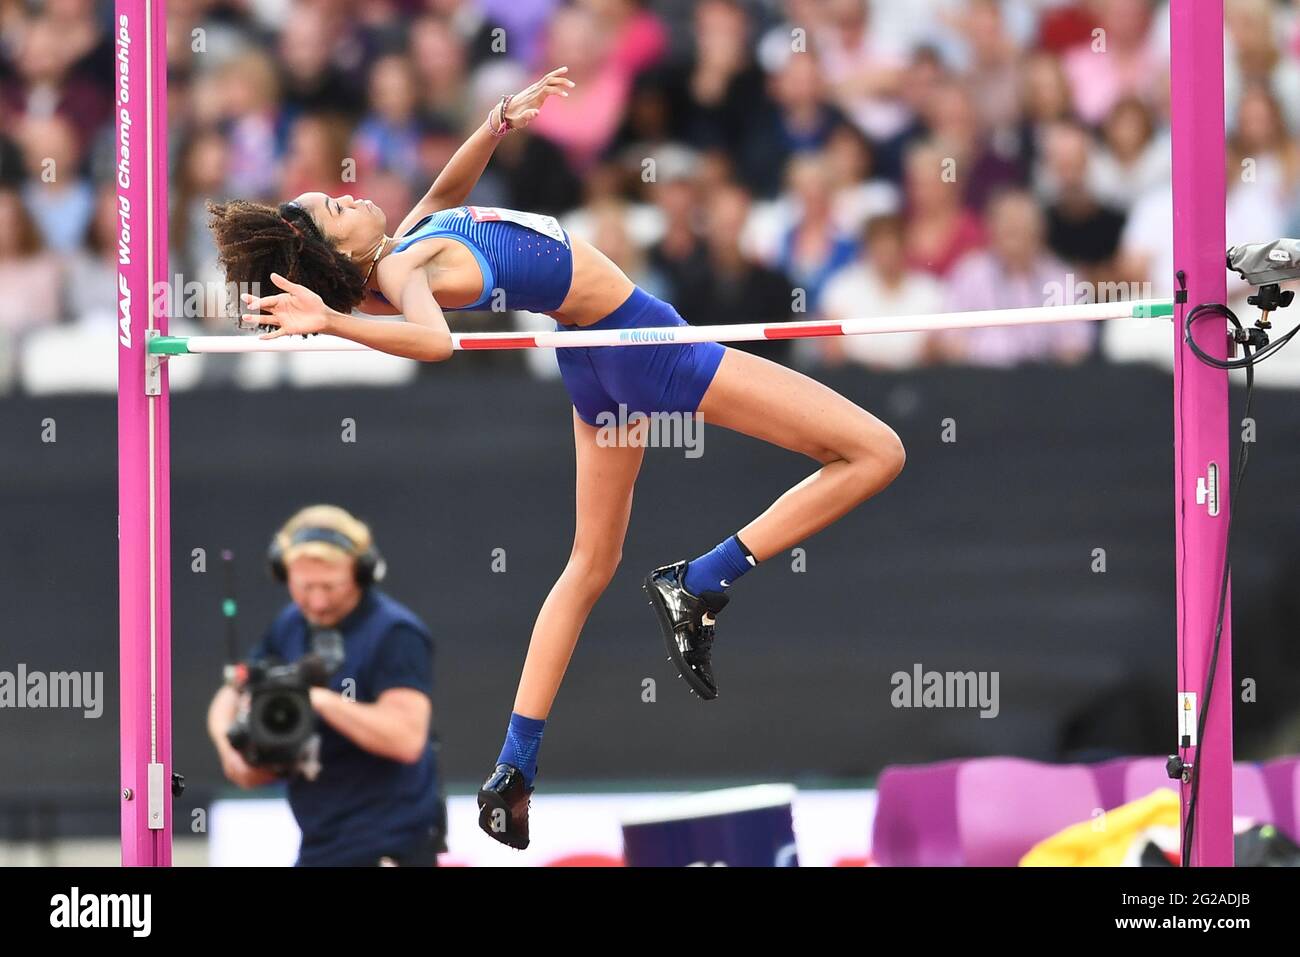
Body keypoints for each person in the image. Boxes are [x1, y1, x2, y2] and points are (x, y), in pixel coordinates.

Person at [210, 67, 906, 851]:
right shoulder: (399, 274)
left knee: (589, 563)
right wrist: (332, 324)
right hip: (642, 348)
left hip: (591, 358)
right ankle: (705, 578)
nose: (353, 194)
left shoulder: (399, 251)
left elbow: (445, 191)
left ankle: (514, 765)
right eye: (338, 208)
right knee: (877, 450)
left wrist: (497, 124)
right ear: (340, 256)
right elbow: (435, 343)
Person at [206, 505, 445, 866]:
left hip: (389, 848)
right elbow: (233, 688)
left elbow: (407, 738)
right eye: (304, 587)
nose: (317, 602)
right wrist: (232, 749)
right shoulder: (289, 625)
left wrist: (318, 701)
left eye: (331, 587)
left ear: (361, 574)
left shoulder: (395, 633)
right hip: (321, 844)